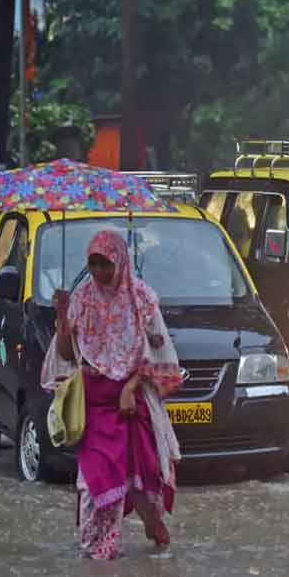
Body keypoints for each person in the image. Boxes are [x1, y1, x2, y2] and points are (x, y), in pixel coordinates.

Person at [41, 229, 183, 560]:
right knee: (94, 481)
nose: (99, 271)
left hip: (130, 404)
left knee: (141, 473)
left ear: (120, 261)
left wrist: (130, 388)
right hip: (93, 405)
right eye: (93, 263)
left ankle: (152, 523)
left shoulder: (141, 299)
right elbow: (66, 354)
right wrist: (62, 315)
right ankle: (97, 553)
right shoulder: (81, 299)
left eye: (105, 263)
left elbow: (157, 352)